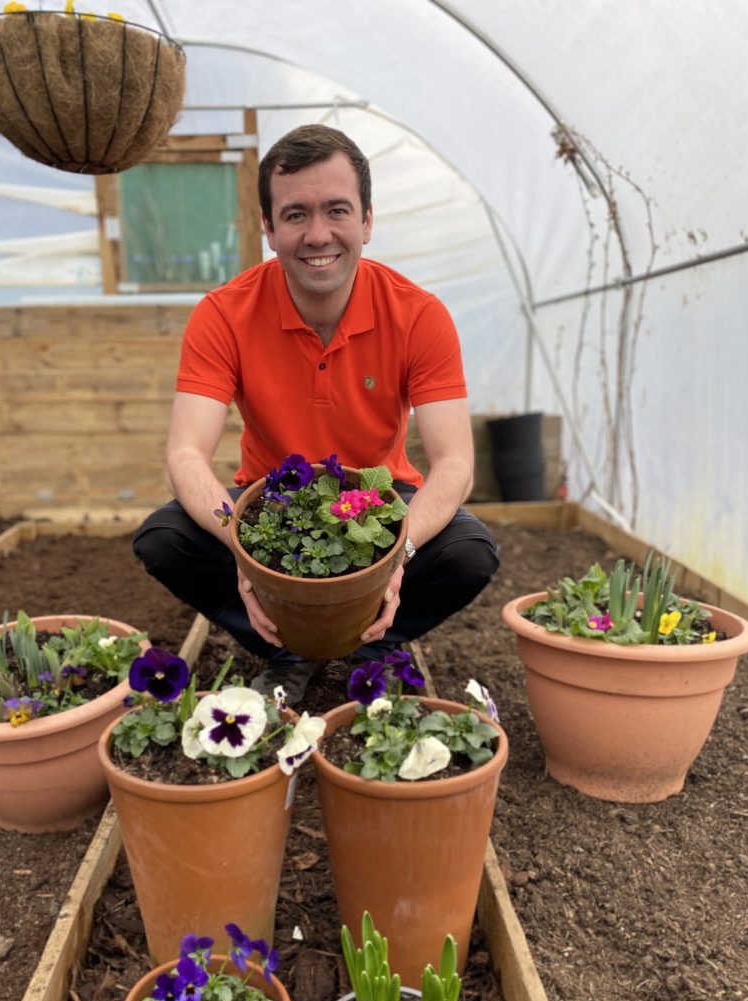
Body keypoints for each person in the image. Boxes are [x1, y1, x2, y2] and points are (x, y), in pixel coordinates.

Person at [132, 124, 499, 703]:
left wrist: (396, 557)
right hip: (272, 503)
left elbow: (455, 464)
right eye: (296, 214)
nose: (318, 234)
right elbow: (185, 452)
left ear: (368, 221)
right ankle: (291, 649)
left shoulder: (419, 315)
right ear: (268, 226)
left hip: (379, 506)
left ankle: (369, 645)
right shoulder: (223, 314)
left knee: (467, 552)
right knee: (165, 536)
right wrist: (244, 550)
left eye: (337, 210)